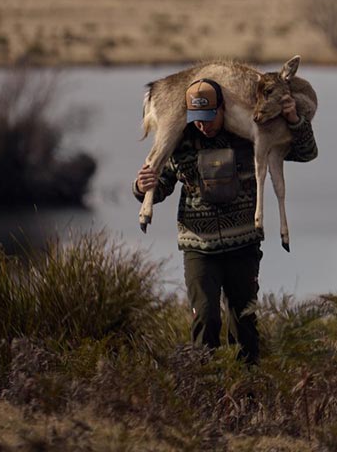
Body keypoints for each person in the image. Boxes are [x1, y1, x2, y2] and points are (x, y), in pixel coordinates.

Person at [133, 78, 317, 364]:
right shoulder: (181, 142)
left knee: (243, 326)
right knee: (205, 320)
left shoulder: (248, 135)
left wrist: (294, 119)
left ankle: (246, 394)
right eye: (196, 119)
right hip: (198, 249)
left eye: (208, 118)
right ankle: (205, 391)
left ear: (224, 110)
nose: (202, 125)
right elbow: (162, 187)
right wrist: (142, 186)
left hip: (242, 246)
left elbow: (306, 153)